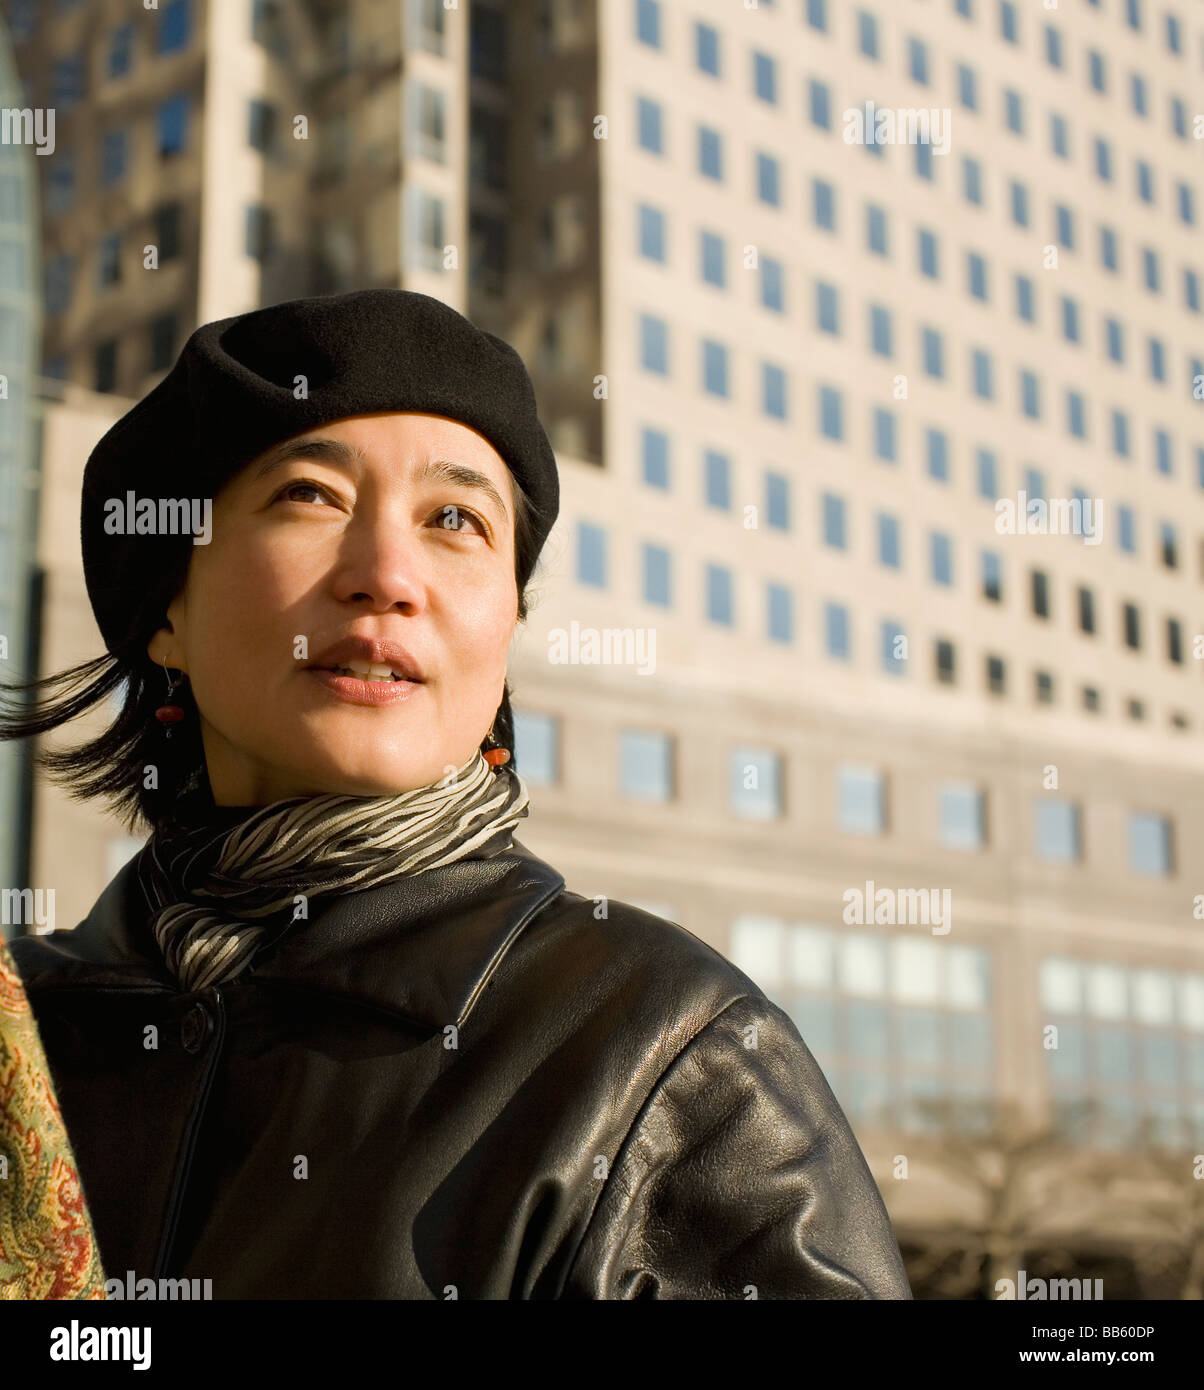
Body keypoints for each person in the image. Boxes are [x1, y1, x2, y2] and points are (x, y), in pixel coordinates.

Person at [2, 289, 912, 1299]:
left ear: (505, 628)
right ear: (164, 606)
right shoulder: (22, 1031)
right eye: (310, 494)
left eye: (455, 519)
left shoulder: (661, 1053)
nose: (388, 574)